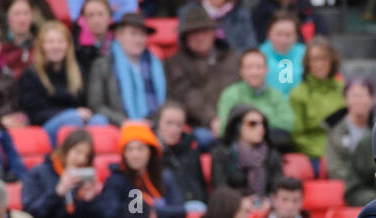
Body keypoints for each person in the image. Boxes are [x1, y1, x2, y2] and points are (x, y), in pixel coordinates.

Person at [97, 119, 184, 218]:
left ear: (150, 151)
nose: (135, 154)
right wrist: (143, 214)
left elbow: (180, 211)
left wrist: (155, 213)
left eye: (140, 149)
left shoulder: (164, 178)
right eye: (130, 150)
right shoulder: (116, 181)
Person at [20, 19, 110, 145]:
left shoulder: (78, 71)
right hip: (46, 127)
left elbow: (86, 104)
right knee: (73, 119)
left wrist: (83, 113)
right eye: (50, 42)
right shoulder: (30, 75)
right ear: (41, 46)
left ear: (68, 45)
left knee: (99, 121)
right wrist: (70, 113)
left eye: (60, 42)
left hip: (77, 121)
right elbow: (35, 114)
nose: (56, 47)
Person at [165, 3, 238, 149]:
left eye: (204, 31)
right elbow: (187, 95)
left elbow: (240, 91)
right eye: (193, 33)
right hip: (197, 124)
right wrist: (212, 119)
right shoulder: (174, 62)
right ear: (185, 37)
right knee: (204, 139)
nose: (199, 37)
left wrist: (229, 120)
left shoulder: (232, 57)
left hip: (232, 120)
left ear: (213, 33)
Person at [22, 124, 104, 218]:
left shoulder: (83, 178)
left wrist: (88, 200)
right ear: (65, 149)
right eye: (77, 152)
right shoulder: (39, 173)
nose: (81, 159)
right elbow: (30, 215)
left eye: (86, 156)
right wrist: (57, 192)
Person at [88, 12, 168, 127]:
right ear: (119, 36)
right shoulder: (102, 65)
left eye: (142, 35)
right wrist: (124, 122)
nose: (139, 40)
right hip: (119, 125)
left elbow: (167, 102)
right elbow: (96, 105)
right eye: (133, 34)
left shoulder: (157, 64)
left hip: (153, 125)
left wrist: (153, 122)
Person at [216, 47, 294, 150]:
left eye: (259, 67)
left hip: (271, 146)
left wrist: (254, 125)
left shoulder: (275, 95)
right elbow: (224, 128)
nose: (255, 72)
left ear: (266, 70)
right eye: (249, 67)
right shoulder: (230, 94)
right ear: (241, 71)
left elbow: (289, 122)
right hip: (237, 150)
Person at [288, 36, 341, 173]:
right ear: (307, 63)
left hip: (343, 150)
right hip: (315, 155)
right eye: (314, 59)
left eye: (324, 58)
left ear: (332, 61)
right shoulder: (298, 94)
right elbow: (297, 136)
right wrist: (322, 152)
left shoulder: (343, 89)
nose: (320, 64)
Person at [324, 76, 376, 207]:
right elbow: (334, 167)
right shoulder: (335, 131)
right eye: (354, 96)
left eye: (363, 96)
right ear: (346, 100)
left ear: (372, 100)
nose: (358, 101)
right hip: (352, 187)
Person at [209, 102, 282, 198]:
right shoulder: (221, 154)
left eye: (262, 123)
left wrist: (269, 202)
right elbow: (221, 190)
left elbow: (279, 189)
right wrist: (242, 203)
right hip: (233, 207)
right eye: (252, 124)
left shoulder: (271, 155)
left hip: (267, 207)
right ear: (237, 127)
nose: (260, 128)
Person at [153, 100, 207, 209]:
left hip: (199, 207)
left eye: (178, 124)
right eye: (169, 123)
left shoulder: (191, 149)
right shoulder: (150, 153)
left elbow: (201, 185)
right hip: (171, 212)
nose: (174, 129)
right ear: (158, 124)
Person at [259, 12, 303, 97]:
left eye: (288, 35)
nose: (283, 40)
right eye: (279, 34)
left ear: (296, 36)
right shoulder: (258, 55)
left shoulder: (306, 54)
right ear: (269, 34)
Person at [74, 0, 114, 75]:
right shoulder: (76, 50)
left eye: (100, 14)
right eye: (90, 15)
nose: (96, 21)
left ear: (109, 16)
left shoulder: (120, 43)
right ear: (83, 19)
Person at [0, 0, 38, 76]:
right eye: (17, 14)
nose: (22, 19)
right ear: (8, 17)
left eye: (26, 13)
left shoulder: (41, 46)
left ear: (32, 15)